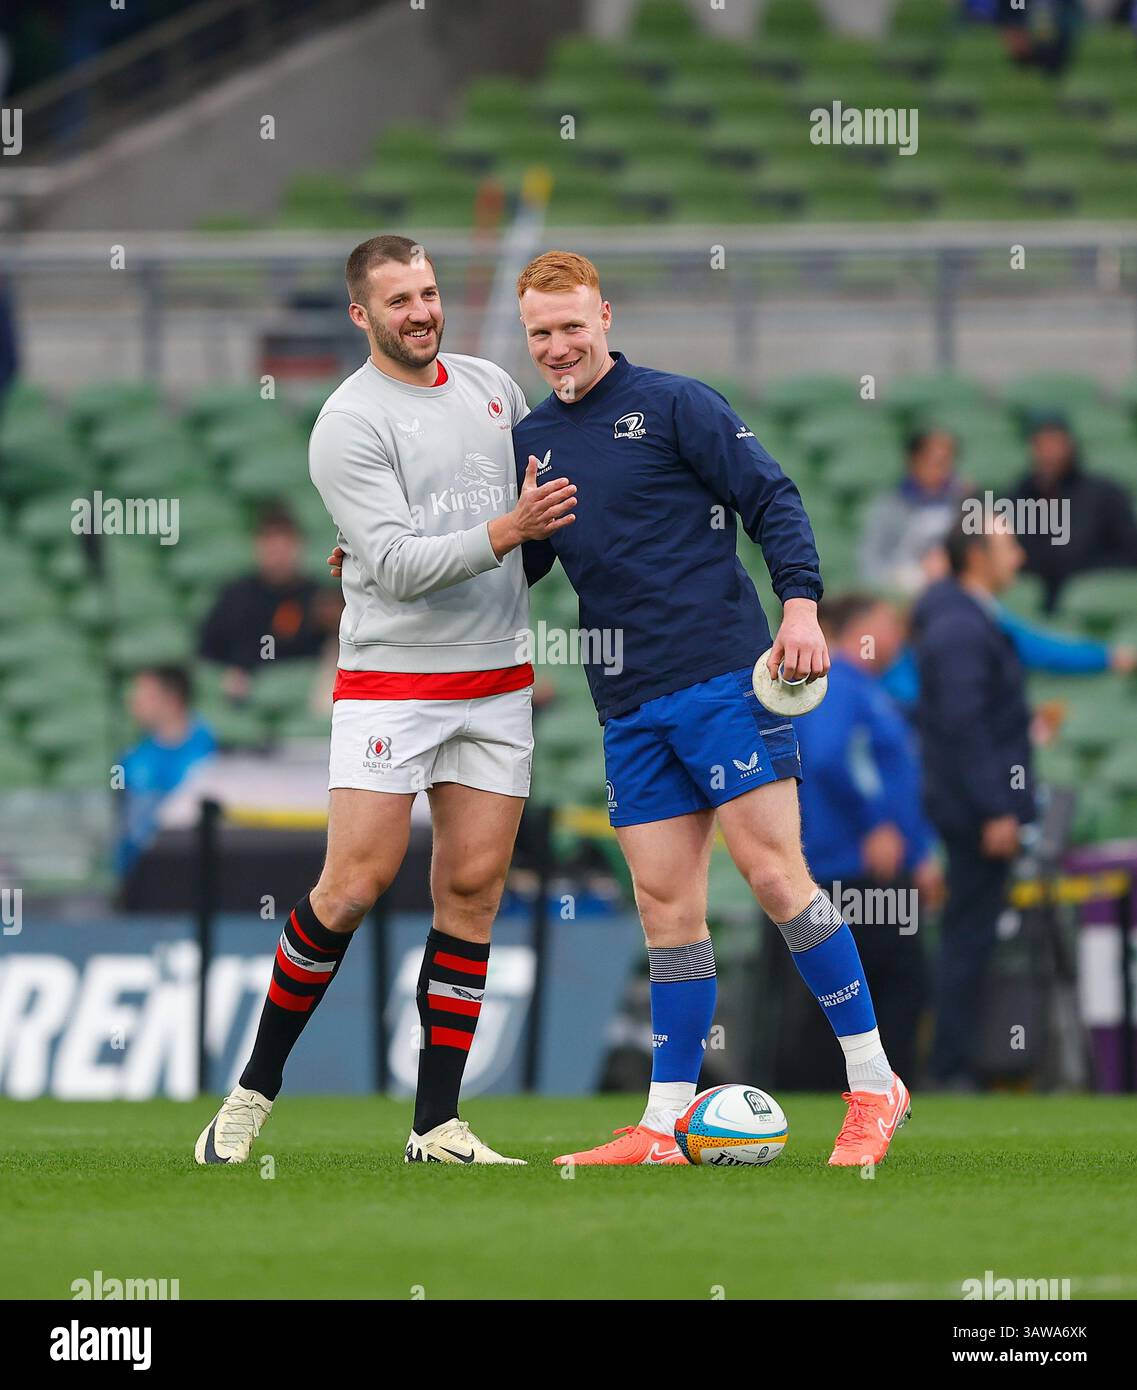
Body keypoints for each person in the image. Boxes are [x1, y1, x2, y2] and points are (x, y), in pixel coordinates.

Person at [511, 250, 911, 1167]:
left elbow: (770, 496)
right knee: (666, 913)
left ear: (604, 316)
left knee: (774, 877)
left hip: (723, 677)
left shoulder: (677, 403)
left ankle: (871, 1082)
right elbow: (526, 563)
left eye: (573, 325)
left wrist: (801, 605)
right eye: (541, 332)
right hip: (627, 704)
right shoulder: (531, 440)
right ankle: (660, 1124)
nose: (559, 346)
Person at [194, 235, 577, 1168]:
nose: (421, 311)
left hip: (493, 682)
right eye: (398, 299)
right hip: (393, 683)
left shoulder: (493, 386)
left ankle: (434, 1125)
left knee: (473, 893)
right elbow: (402, 569)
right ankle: (250, 1094)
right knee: (351, 886)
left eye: (429, 292)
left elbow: (542, 523)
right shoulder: (347, 422)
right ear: (362, 316)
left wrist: (525, 533)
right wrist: (496, 531)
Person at [794, 595, 943, 1085]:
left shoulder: (865, 688)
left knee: (884, 984)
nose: (898, 636)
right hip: (852, 865)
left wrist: (918, 852)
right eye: (887, 623)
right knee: (882, 986)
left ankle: (873, 1089)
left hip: (867, 863)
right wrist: (874, 824)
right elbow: (829, 757)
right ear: (857, 627)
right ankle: (876, 1091)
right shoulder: (838, 683)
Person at [911, 511, 1036, 1089]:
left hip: (970, 805)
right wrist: (996, 808)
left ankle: (951, 1065)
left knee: (969, 937)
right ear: (978, 554)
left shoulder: (962, 619)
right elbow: (965, 726)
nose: (1021, 555)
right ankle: (950, 1068)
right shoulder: (962, 626)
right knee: (967, 939)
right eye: (1009, 542)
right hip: (975, 812)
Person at [198, 503, 342, 701]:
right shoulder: (235, 596)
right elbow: (207, 650)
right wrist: (227, 674)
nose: (278, 556)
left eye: (284, 547)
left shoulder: (319, 598)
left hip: (304, 694)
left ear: (298, 547)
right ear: (258, 547)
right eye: (271, 547)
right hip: (242, 694)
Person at [1009, 412, 1137, 612]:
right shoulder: (1018, 497)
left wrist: (1084, 573)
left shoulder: (1105, 496)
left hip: (1092, 607)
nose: (1049, 452)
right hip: (1034, 611)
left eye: (1055, 442)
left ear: (1070, 445)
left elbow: (1129, 553)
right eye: (1041, 444)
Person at [116, 666, 216, 876]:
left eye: (146, 696)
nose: (135, 702)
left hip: (195, 876)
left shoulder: (211, 756)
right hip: (139, 879)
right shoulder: (131, 760)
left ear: (172, 701)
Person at [858, 428, 971, 596]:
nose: (943, 470)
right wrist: (913, 576)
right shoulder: (889, 507)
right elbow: (870, 566)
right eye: (936, 461)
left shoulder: (963, 503)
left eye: (947, 461)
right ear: (914, 460)